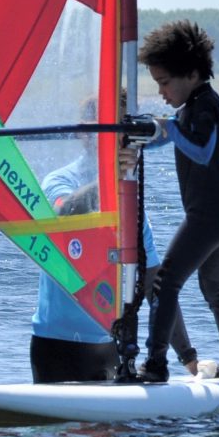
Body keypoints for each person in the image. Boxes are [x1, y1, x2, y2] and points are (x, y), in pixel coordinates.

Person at [133, 19, 219, 382]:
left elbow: (200, 149)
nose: (162, 92)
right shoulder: (190, 108)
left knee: (164, 284)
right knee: (212, 286)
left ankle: (154, 366)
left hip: (210, 217)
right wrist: (137, 135)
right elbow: (169, 136)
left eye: (165, 83)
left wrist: (166, 128)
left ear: (193, 73)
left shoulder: (205, 106)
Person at [30, 98, 161, 383]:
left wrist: (185, 355)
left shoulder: (130, 199)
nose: (110, 138)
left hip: (108, 345)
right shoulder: (58, 180)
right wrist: (110, 178)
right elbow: (63, 211)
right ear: (82, 134)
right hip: (56, 344)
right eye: (100, 129)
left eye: (119, 130)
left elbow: (154, 283)